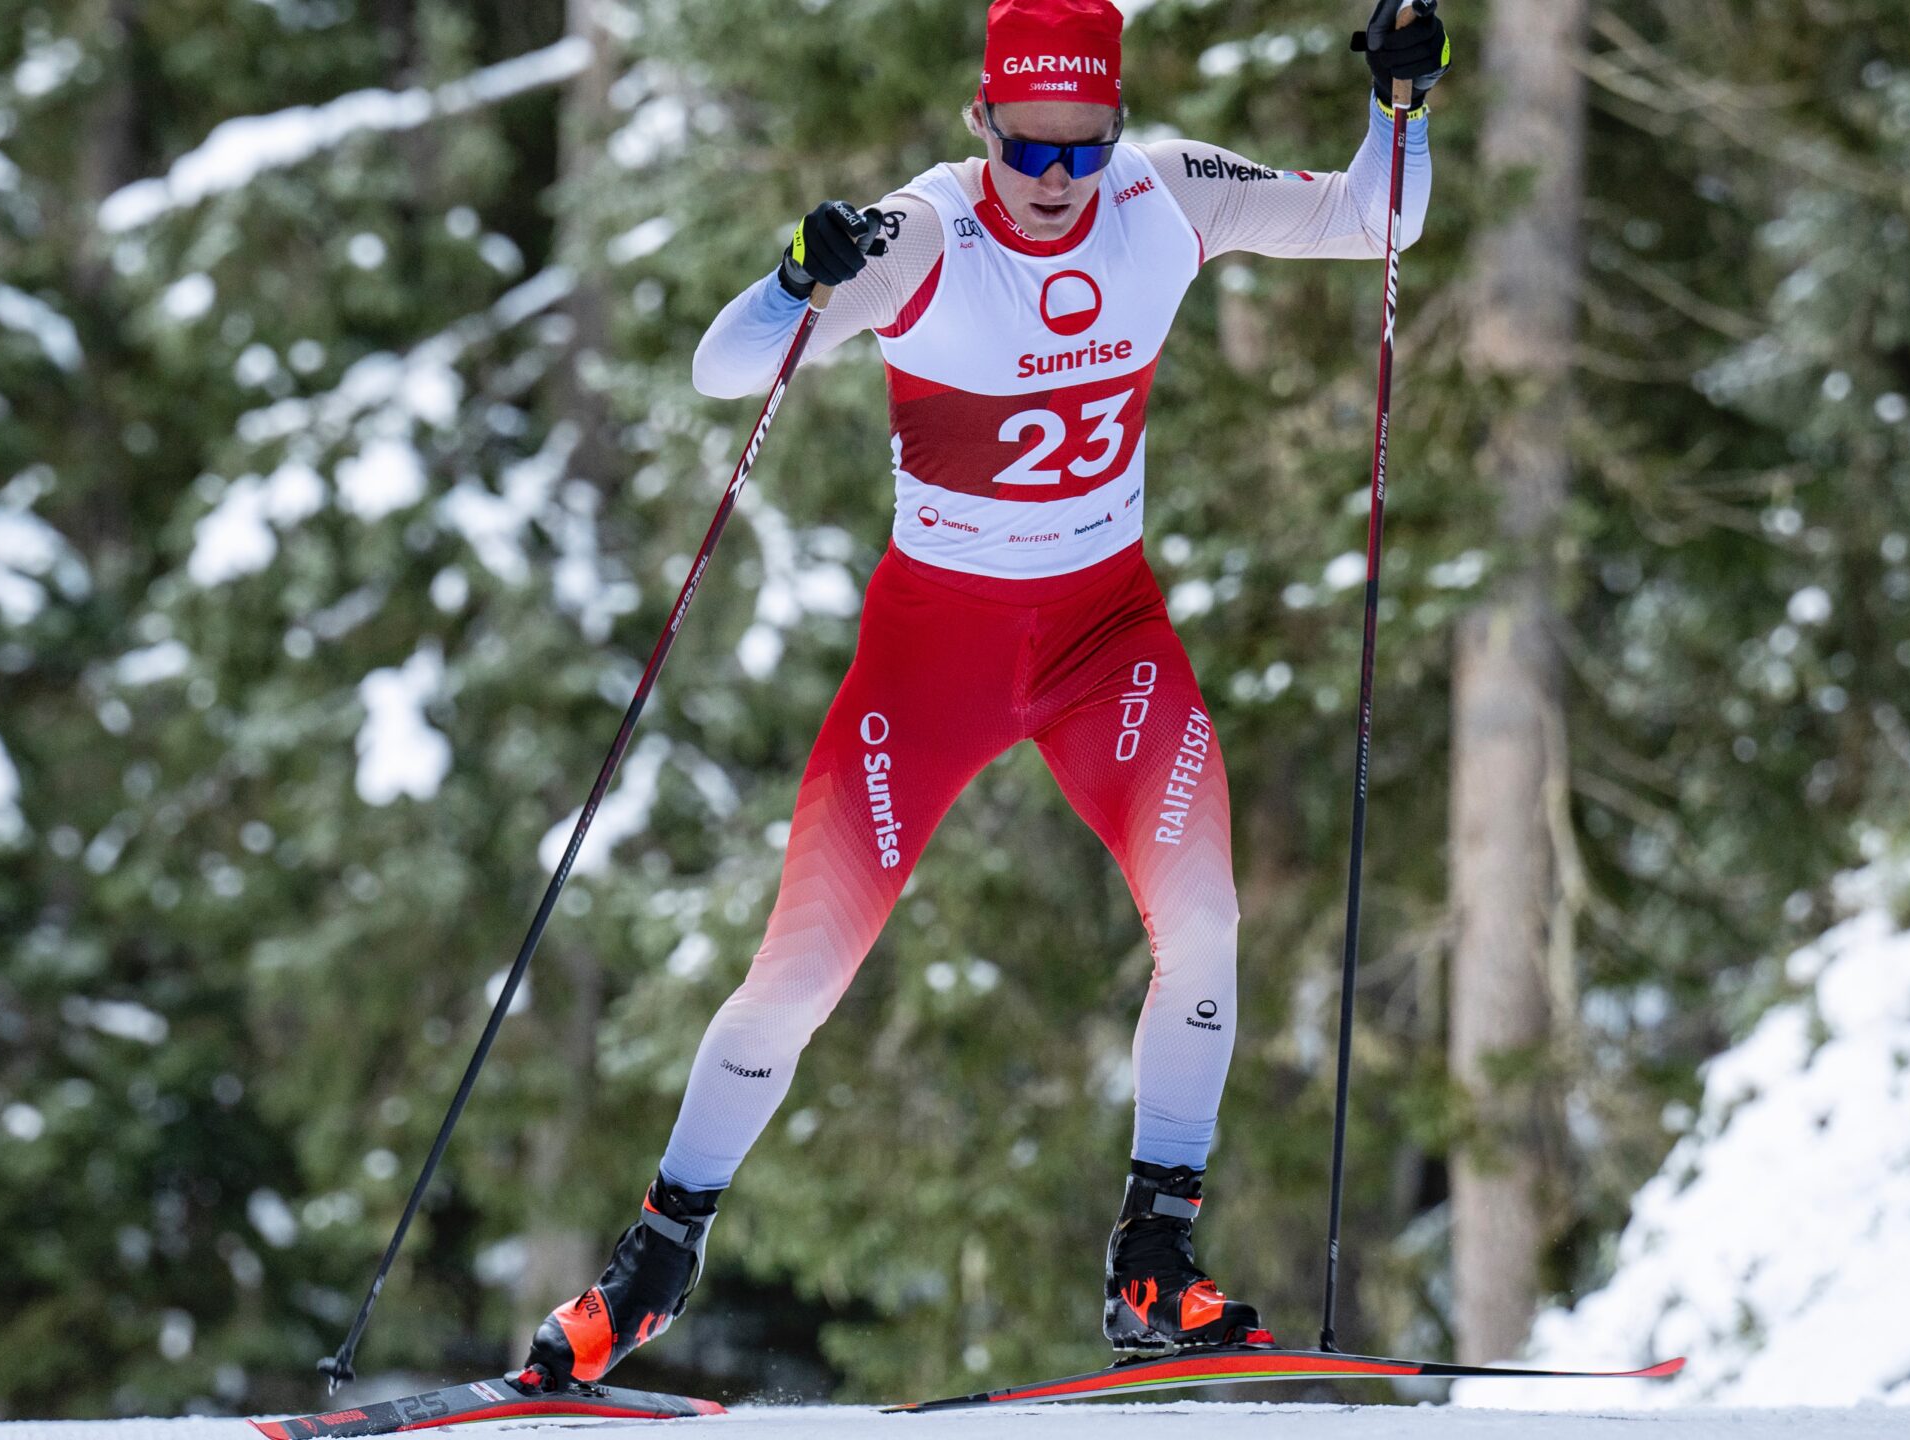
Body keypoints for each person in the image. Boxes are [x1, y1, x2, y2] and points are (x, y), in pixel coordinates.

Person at [524, 0, 1446, 1390]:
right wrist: (793, 282)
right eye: (1032, 151)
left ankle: (1156, 1260)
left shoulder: (1170, 196)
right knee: (803, 968)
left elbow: (1379, 222)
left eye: (1087, 149)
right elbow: (722, 369)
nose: (1061, 182)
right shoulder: (921, 241)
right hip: (934, 657)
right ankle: (652, 1264)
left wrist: (1403, 106)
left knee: (1204, 921)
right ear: (983, 124)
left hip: (1104, 636)